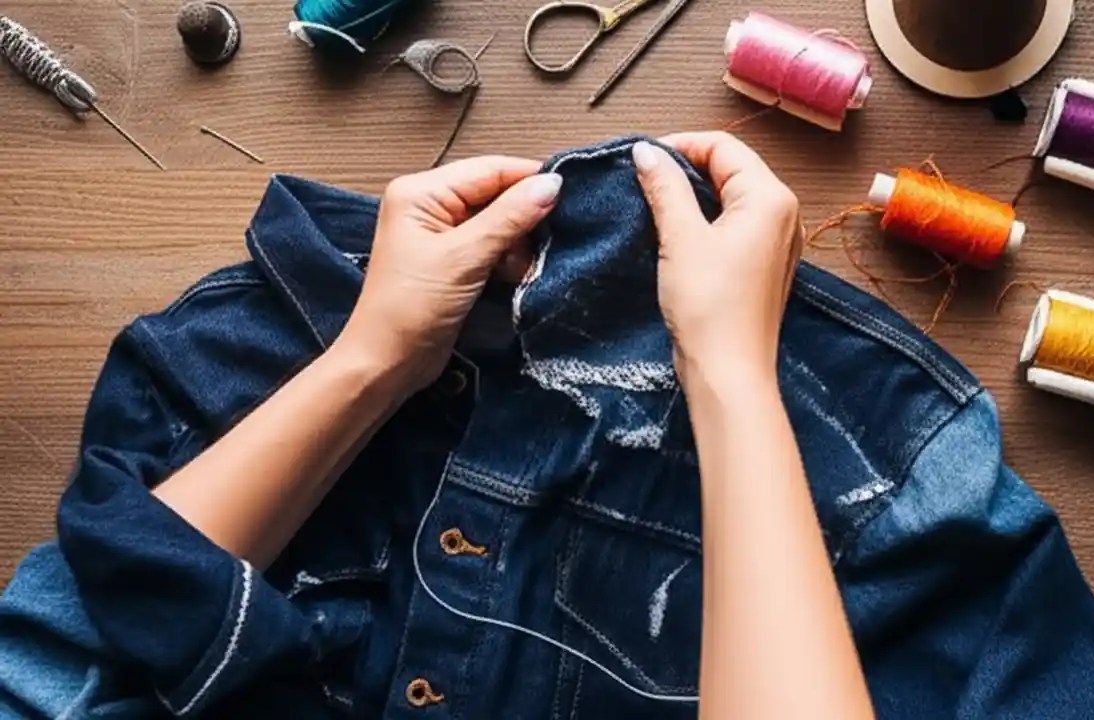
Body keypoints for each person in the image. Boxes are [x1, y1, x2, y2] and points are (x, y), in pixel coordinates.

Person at [0, 133, 876, 719]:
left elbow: (68, 655)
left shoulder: (223, 360)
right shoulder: (863, 441)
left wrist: (376, 357)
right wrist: (730, 376)